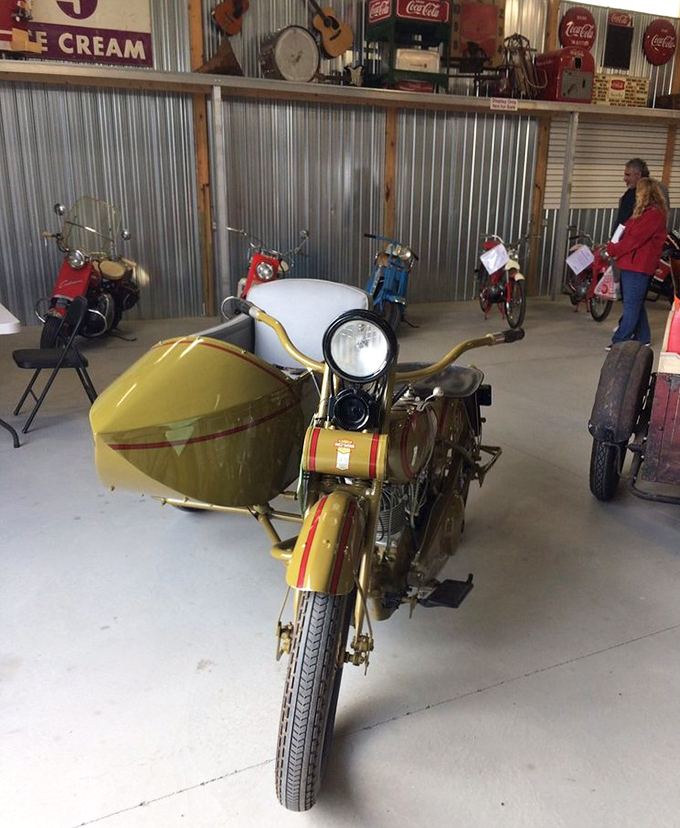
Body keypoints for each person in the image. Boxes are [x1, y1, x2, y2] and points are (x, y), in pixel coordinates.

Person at [606, 177, 668, 349]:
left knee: (631, 305)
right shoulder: (642, 213)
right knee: (636, 303)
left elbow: (633, 240)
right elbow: (625, 231)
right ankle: (643, 337)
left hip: (639, 267)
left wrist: (613, 249)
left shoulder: (653, 215)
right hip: (630, 264)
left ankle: (619, 340)